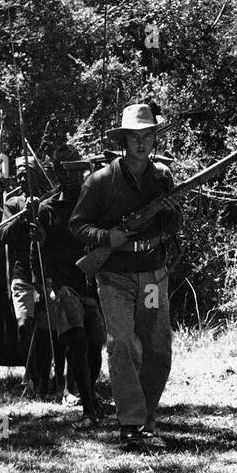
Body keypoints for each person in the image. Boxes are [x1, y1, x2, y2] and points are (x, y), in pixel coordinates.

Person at [71, 104, 181, 448]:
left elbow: (175, 226)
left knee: (156, 347)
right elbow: (77, 225)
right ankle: (130, 423)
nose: (142, 143)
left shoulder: (162, 177)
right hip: (115, 275)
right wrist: (107, 238)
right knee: (122, 345)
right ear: (124, 140)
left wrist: (168, 213)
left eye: (148, 136)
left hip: (151, 276)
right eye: (135, 137)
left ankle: (147, 419)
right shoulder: (101, 181)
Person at [37, 145, 107, 427]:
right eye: (69, 170)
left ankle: (91, 397)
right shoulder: (47, 209)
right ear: (57, 172)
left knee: (95, 344)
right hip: (63, 283)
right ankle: (88, 408)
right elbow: (40, 251)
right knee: (76, 341)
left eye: (79, 170)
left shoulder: (92, 203)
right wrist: (43, 283)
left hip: (91, 281)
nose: (75, 176)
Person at [0, 156, 52, 397]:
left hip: (44, 273)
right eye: (19, 174)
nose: (21, 178)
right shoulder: (12, 203)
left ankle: (45, 376)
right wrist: (22, 216)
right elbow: (4, 234)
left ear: (35, 175)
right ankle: (30, 374)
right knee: (24, 325)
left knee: (46, 329)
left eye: (26, 173)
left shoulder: (49, 199)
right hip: (21, 274)